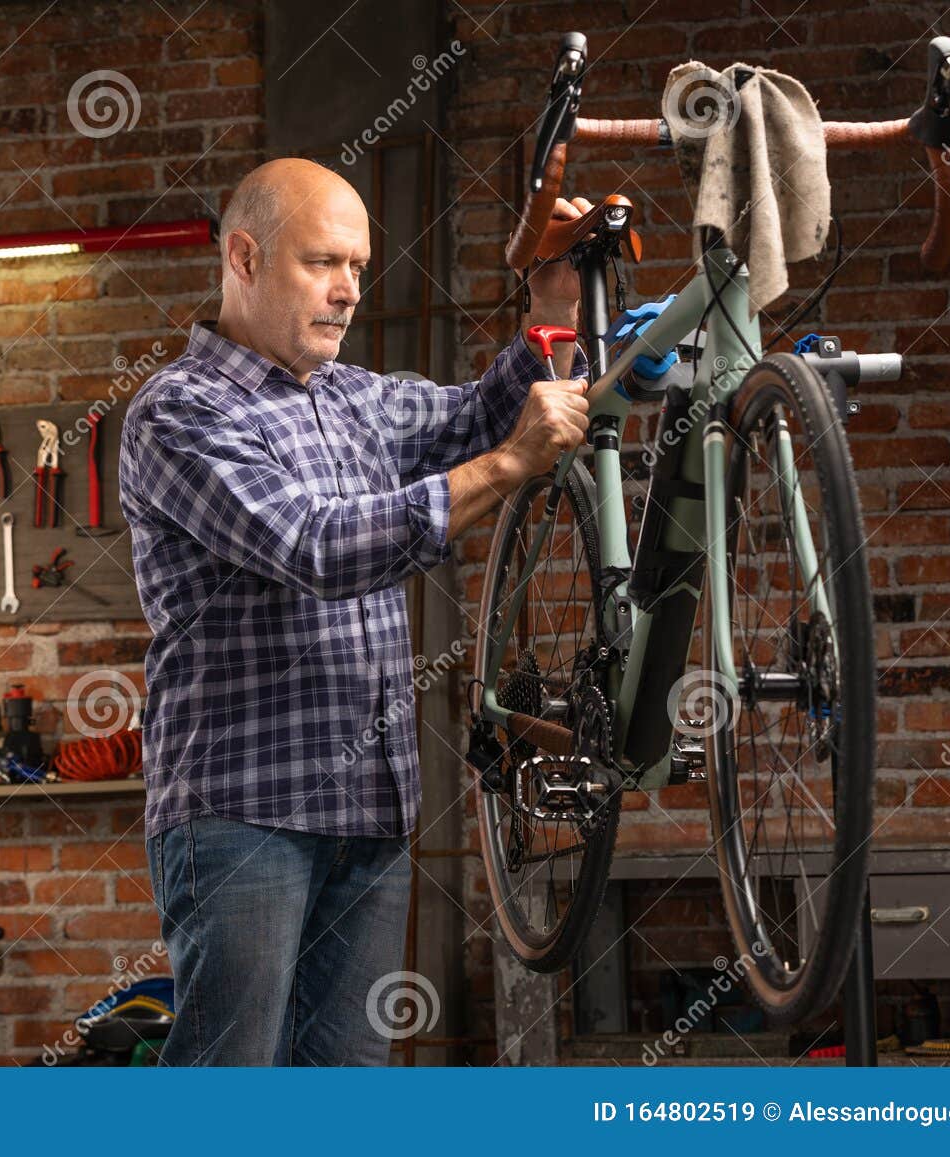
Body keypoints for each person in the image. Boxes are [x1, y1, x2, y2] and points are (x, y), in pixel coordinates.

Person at [117, 157, 590, 1065]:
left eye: (360, 270)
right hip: (242, 814)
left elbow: (482, 415)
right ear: (245, 258)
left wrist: (553, 304)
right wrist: (505, 468)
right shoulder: (177, 412)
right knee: (234, 1086)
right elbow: (313, 545)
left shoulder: (353, 397)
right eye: (323, 263)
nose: (347, 293)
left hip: (369, 808)